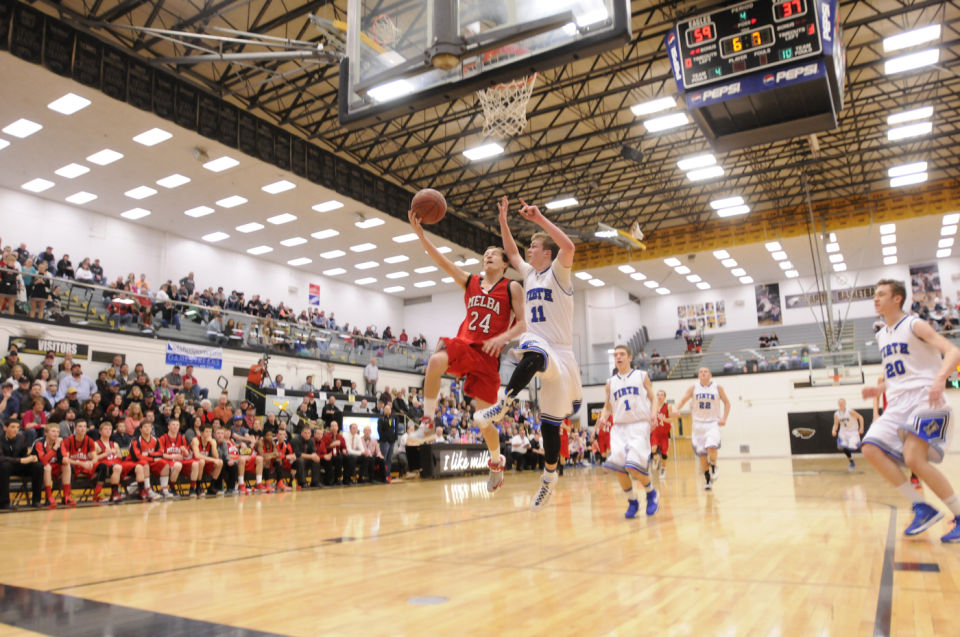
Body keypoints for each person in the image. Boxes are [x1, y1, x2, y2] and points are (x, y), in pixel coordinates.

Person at [406, 205, 526, 496]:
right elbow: (443, 262)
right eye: (485, 254)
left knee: (483, 421)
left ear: (504, 264)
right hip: (466, 344)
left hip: (489, 358)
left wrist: (503, 338)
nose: (488, 256)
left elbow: (523, 324)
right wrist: (421, 236)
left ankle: (496, 462)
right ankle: (428, 422)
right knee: (436, 361)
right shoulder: (471, 281)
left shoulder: (512, 287)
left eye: (493, 254)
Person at [474, 196, 582, 511]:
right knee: (532, 348)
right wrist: (503, 218)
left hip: (562, 354)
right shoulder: (529, 275)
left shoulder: (558, 272)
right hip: (539, 345)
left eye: (533, 247)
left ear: (547, 253)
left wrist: (539, 220)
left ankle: (549, 479)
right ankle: (503, 405)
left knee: (550, 426)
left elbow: (569, 247)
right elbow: (511, 252)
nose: (528, 251)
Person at [860, 279, 960, 542]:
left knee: (914, 458)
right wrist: (880, 388)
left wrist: (940, 379)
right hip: (898, 402)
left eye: (882, 294)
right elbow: (900, 373)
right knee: (869, 448)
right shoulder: (882, 334)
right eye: (875, 294)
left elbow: (953, 351)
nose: (876, 299)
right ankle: (922, 507)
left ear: (897, 299)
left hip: (926, 398)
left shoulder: (914, 324)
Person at [600, 345, 659, 519]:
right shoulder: (610, 383)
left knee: (633, 467)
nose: (618, 357)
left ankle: (651, 493)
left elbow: (653, 397)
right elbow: (607, 406)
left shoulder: (641, 376)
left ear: (630, 358)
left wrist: (654, 414)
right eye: (616, 355)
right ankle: (632, 501)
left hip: (639, 425)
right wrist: (603, 417)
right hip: (619, 428)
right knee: (619, 467)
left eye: (622, 354)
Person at [676, 367, 731, 491]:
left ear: (710, 375)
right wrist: (676, 409)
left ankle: (714, 465)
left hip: (713, 423)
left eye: (705, 371)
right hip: (698, 425)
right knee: (702, 455)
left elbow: (727, 403)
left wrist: (724, 418)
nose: (703, 373)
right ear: (698, 376)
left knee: (711, 447)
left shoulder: (717, 387)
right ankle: (707, 479)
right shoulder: (693, 387)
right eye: (701, 372)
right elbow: (683, 400)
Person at [1, 417, 43, 509]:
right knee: (5, 466)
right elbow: (1, 458)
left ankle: (36, 500)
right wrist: (20, 460)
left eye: (17, 427)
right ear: (5, 428)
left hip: (17, 466)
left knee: (38, 466)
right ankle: (4, 503)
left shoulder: (21, 438)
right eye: (12, 427)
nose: (16, 430)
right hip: (3, 468)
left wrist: (31, 458)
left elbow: (24, 455)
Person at [831, 398, 865, 471]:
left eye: (842, 403)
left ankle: (859, 444)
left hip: (853, 431)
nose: (841, 404)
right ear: (838, 404)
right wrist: (834, 430)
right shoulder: (836, 414)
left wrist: (861, 428)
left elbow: (860, 417)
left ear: (845, 403)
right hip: (843, 432)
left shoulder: (850, 411)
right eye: (839, 403)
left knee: (853, 446)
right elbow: (836, 424)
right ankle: (851, 461)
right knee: (842, 447)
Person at [650, 390, 673, 479]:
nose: (659, 396)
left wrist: (664, 419)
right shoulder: (653, 407)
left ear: (664, 397)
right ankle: (656, 458)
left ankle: (663, 468)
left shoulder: (668, 406)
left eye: (662, 395)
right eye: (658, 395)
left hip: (665, 434)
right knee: (653, 449)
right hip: (656, 432)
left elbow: (671, 420)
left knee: (664, 454)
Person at [377, 403, 398, 483]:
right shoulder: (381, 419)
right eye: (386, 409)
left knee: (389, 459)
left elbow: (394, 429)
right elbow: (380, 431)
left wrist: (394, 438)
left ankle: (388, 474)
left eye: (389, 409)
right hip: (384, 442)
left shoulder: (392, 419)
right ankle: (382, 475)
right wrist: (385, 439)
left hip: (391, 441)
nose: (388, 410)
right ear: (384, 410)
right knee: (384, 459)